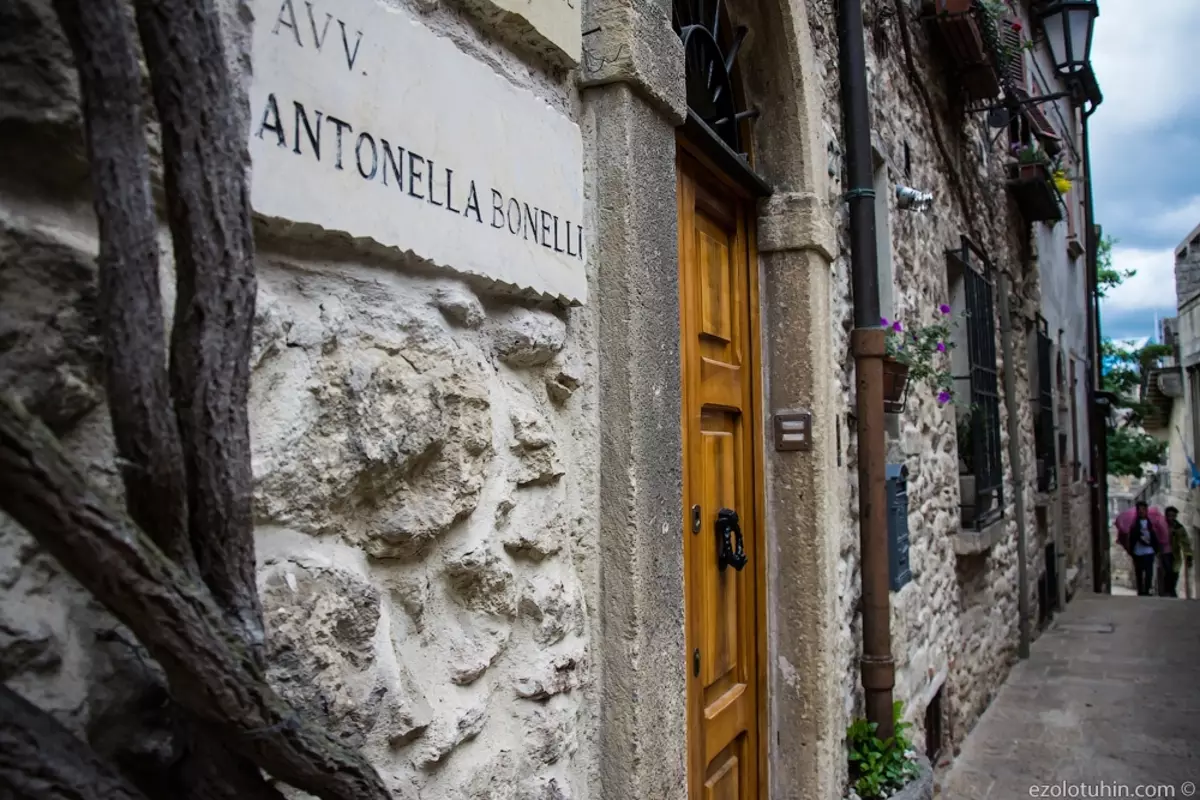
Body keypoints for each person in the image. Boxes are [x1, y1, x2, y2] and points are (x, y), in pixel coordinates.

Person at [1127, 501, 1160, 596]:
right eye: (1139, 509)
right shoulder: (1134, 524)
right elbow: (1132, 538)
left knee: (1149, 573)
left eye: (1143, 509)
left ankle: (1147, 590)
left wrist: (1154, 546)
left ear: (1146, 510)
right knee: (1139, 573)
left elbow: (1155, 537)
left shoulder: (1151, 524)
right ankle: (1141, 591)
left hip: (1149, 551)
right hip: (1138, 552)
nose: (1141, 511)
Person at [1164, 506, 1194, 598]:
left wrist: (1189, 558)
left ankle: (1171, 591)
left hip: (1175, 555)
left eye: (1173, 516)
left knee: (1174, 573)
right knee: (1167, 572)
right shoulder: (1161, 525)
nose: (1171, 518)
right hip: (1164, 554)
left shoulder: (1179, 528)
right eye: (1169, 516)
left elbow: (1186, 544)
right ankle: (1169, 592)